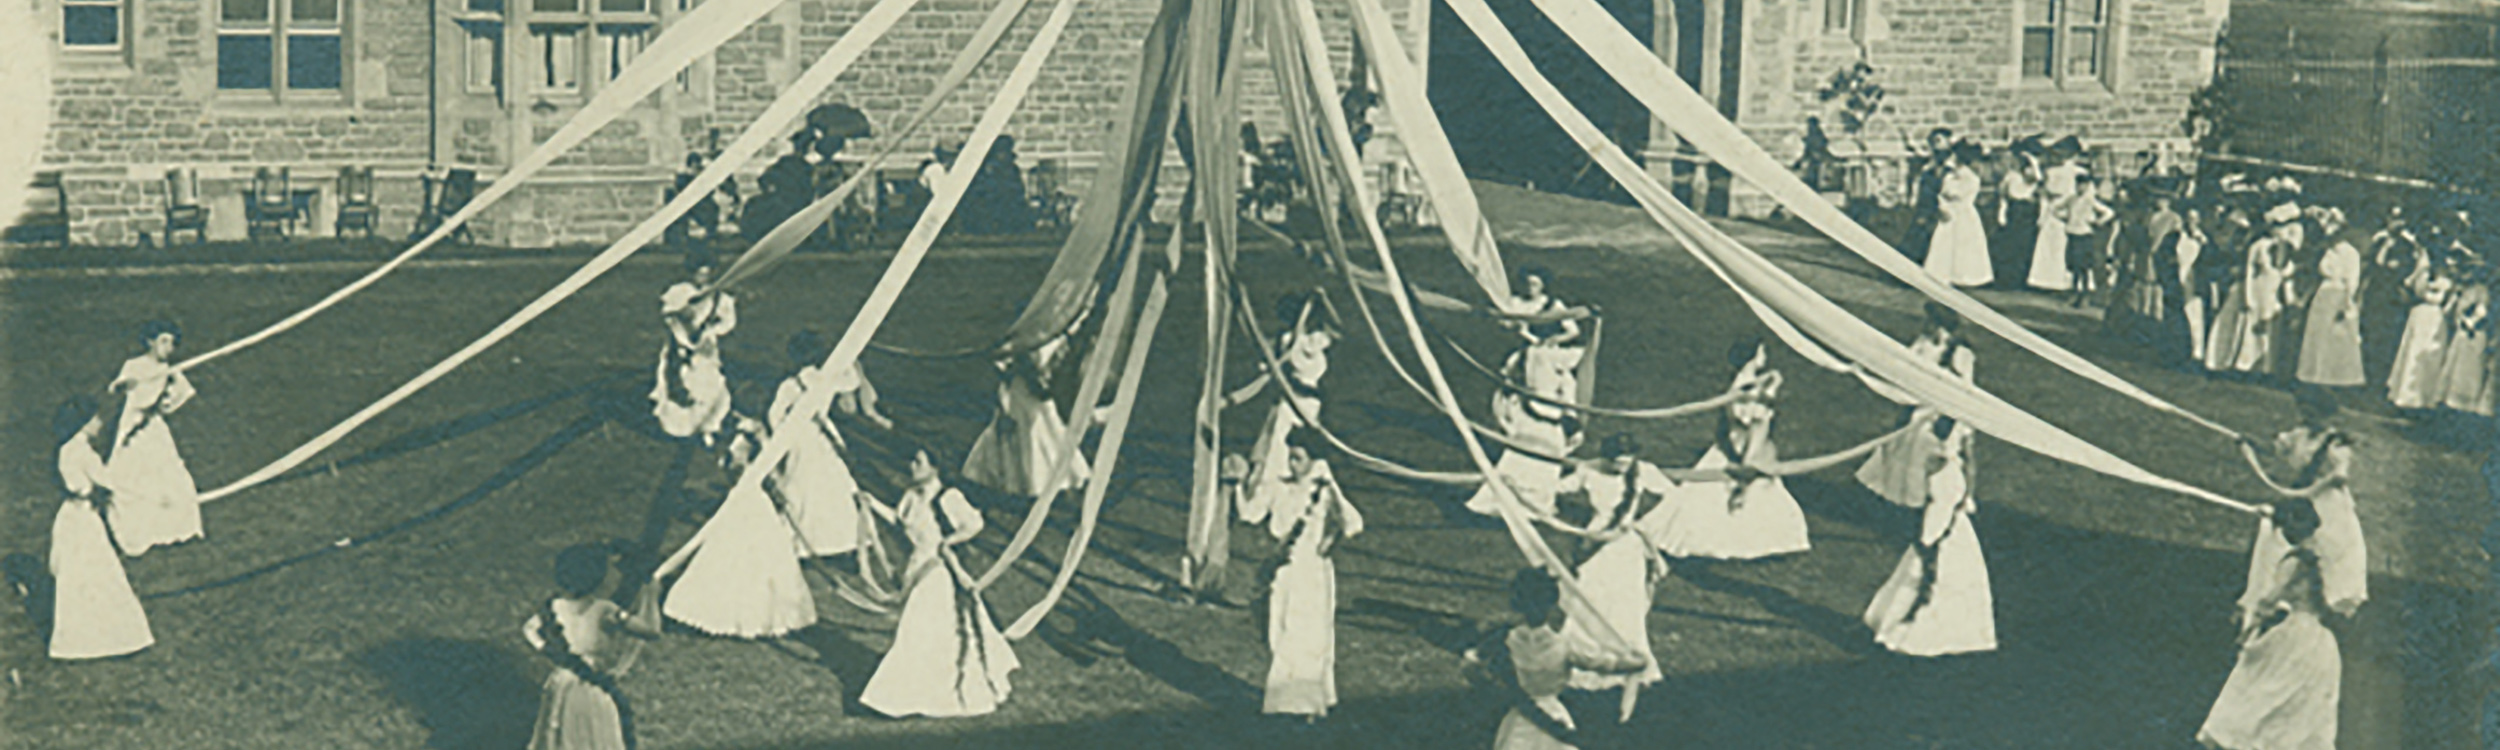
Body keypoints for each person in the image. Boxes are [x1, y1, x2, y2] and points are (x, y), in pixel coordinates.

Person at [2201, 386, 2370, 749]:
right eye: (2302, 410)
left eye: (2311, 411)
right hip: (2300, 508)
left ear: (2325, 413)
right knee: (2277, 549)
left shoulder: (2336, 442)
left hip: (2322, 502)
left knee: (2315, 553)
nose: (2306, 416)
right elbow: (2275, 446)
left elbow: (2340, 476)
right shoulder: (2297, 435)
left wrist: (2299, 495)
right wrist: (2249, 444)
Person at [859, 448, 1021, 718]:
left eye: (919, 461)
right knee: (938, 632)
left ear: (935, 468)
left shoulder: (949, 497)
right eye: (913, 459)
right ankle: (926, 688)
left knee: (915, 627)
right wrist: (871, 502)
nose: (912, 465)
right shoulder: (911, 495)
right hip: (916, 567)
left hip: (939, 571)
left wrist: (949, 541)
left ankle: (893, 696)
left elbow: (974, 524)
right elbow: (900, 523)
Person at [1540, 434, 1679, 723]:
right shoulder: (1588, 471)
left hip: (1626, 546)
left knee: (1626, 604)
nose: (1621, 465)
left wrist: (1646, 533)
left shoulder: (1645, 472)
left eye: (1626, 460)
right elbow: (1559, 487)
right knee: (1588, 599)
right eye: (1616, 460)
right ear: (1606, 457)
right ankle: (1582, 656)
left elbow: (1674, 496)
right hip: (1595, 543)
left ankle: (1628, 657)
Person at [2194, 498, 2343, 750]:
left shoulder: (2294, 562)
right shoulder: (2324, 563)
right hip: (2321, 643)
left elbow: (2270, 599)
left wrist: (2250, 629)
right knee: (2296, 706)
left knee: (2255, 694)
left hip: (2295, 637)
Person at [1651, 338, 1812, 560]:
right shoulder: (1751, 392)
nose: (1764, 356)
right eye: (1762, 352)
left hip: (1733, 444)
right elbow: (1756, 425)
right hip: (1745, 448)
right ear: (1755, 357)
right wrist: (1749, 460)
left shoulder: (1742, 383)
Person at [657, 420, 817, 638]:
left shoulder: (754, 468)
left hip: (754, 506)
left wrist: (758, 438)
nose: (736, 452)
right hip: (745, 504)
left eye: (740, 449)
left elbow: (766, 474)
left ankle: (755, 614)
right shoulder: (745, 467)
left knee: (758, 560)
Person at [1461, 568, 1648, 750]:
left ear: (1517, 603)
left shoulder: (1504, 640)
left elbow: (1471, 665)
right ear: (1552, 603)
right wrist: (1637, 658)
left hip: (1519, 719)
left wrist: (1490, 686)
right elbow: (1607, 663)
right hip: (1554, 715)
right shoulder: (1563, 645)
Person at [1860, 414, 1995, 657]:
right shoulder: (1939, 463)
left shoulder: (1945, 463)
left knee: (1946, 575)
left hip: (1949, 519)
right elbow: (1946, 491)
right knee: (1938, 574)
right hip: (1945, 520)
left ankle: (1925, 626)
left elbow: (1961, 474)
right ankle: (1917, 627)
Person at [1257, 428, 1363, 722]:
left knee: (1305, 635)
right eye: (1290, 458)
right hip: (1286, 569)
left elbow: (1352, 521)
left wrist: (1332, 538)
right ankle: (1288, 700)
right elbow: (1264, 519)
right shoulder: (1282, 487)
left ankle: (1301, 706)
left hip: (1312, 572)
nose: (1293, 465)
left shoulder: (1324, 489)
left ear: (1314, 461)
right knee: (1278, 631)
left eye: (1298, 459)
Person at [48, 395, 153, 660]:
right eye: (94, 417)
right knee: (100, 574)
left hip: (69, 517)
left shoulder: (65, 449)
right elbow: (110, 482)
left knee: (75, 579)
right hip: (83, 520)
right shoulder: (82, 452)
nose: (99, 422)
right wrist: (149, 495)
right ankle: (111, 639)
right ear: (83, 422)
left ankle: (74, 639)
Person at [1226, 292, 1339, 525]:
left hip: (1307, 405)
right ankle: (1266, 497)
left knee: (1302, 448)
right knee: (1277, 447)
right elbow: (1266, 350)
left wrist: (1320, 299)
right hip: (1290, 402)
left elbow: (1336, 329)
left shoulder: (1313, 339)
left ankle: (1304, 496)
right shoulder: (1289, 341)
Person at [523, 544, 650, 750]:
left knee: (562, 733)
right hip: (591, 683)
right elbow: (648, 631)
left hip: (562, 681)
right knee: (595, 731)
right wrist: (650, 593)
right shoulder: (604, 609)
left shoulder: (555, 607)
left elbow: (529, 628)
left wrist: (545, 648)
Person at [770, 330, 881, 561]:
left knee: (801, 486)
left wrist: (785, 433)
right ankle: (843, 540)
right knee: (835, 484)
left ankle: (801, 544)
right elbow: (852, 381)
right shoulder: (826, 378)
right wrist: (850, 357)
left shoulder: (790, 385)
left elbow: (774, 417)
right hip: (822, 436)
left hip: (800, 438)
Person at [1856, 303, 1976, 508]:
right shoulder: (1922, 343)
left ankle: (1956, 500)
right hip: (1918, 408)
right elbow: (1904, 366)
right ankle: (1905, 501)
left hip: (1944, 413)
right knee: (1903, 449)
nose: (1925, 325)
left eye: (1930, 321)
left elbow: (1964, 389)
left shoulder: (1961, 353)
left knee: (1943, 455)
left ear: (1940, 326)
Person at [105, 319, 201, 557]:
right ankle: (135, 533)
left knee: (169, 474)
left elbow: (183, 394)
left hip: (154, 429)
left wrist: (164, 401)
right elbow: (115, 389)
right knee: (127, 477)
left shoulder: (169, 371)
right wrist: (128, 384)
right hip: (132, 428)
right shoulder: (135, 365)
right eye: (163, 341)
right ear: (150, 342)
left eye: (172, 343)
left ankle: (175, 530)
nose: (168, 347)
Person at [962, 342, 1078, 498]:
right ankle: (1023, 481)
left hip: (1036, 391)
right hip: (1020, 387)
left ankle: (1049, 478)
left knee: (1041, 427)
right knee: (1022, 427)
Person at [651, 255, 738, 447]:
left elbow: (728, 321)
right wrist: (683, 315)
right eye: (699, 273)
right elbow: (669, 316)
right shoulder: (680, 292)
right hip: (680, 346)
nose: (703, 278)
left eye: (707, 273)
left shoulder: (718, 296)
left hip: (705, 350)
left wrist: (713, 328)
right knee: (680, 387)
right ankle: (681, 429)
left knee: (710, 387)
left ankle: (709, 428)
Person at [2206, 203, 2302, 376]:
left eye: (2283, 227)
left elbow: (2287, 275)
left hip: (2273, 294)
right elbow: (2249, 272)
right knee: (2249, 329)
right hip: (2257, 290)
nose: (2280, 231)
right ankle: (2243, 365)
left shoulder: (2287, 249)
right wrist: (2248, 297)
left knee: (2270, 330)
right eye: (2277, 227)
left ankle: (2266, 368)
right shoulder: (2259, 246)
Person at [2297, 210, 2369, 388]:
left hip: (2338, 293)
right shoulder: (2328, 251)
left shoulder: (2350, 254)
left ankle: (2335, 377)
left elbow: (2352, 281)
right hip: (2323, 292)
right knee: (2318, 334)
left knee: (2336, 336)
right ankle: (2314, 373)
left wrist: (2345, 304)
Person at [2385, 255, 2454, 412]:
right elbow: (2410, 287)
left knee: (2429, 356)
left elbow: (2448, 300)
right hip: (2420, 314)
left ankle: (2425, 397)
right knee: (2411, 351)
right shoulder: (2423, 274)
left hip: (2436, 318)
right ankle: (2405, 395)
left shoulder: (2449, 281)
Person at [1922, 142, 1993, 287]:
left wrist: (1950, 193)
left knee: (1963, 245)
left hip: (1964, 213)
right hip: (1948, 213)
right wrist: (1942, 207)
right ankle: (1941, 274)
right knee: (1945, 243)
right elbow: (1941, 194)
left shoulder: (1971, 178)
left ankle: (1964, 276)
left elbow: (1957, 194)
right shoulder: (1949, 176)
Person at [2027, 136, 2088, 291]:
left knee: (2066, 245)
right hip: (2054, 209)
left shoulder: (2079, 172)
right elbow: (2045, 195)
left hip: (2071, 209)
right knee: (2051, 243)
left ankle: (2068, 281)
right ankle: (2048, 280)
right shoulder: (2051, 172)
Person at [2436, 268, 2495, 417]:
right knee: (2455, 367)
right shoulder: (2469, 290)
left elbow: (2481, 313)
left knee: (2467, 371)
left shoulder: (2482, 292)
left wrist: (2471, 322)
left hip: (2474, 335)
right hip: (2463, 334)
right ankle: (2449, 404)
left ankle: (2463, 406)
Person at [1994, 136, 2047, 288]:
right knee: (2010, 245)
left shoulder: (2030, 176)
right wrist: (2001, 214)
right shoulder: (2011, 176)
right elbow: (2003, 196)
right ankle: (2008, 279)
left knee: (2025, 245)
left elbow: (2038, 178)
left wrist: (2032, 161)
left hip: (2027, 211)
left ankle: (2021, 279)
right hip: (2014, 210)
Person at [1900, 127, 1956, 265]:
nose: (1935, 144)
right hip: (1927, 202)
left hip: (1943, 201)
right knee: (1919, 232)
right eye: (1933, 141)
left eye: (1938, 140)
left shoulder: (1952, 162)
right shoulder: (1929, 164)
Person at [2064, 174, 2119, 307]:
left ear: (2087, 186)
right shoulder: (2071, 199)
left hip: (2085, 235)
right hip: (2072, 234)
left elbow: (2109, 213)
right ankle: (2075, 291)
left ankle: (2084, 294)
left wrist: (2097, 222)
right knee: (2073, 265)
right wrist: (2066, 219)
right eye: (2078, 184)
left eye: (2083, 185)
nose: (2080, 187)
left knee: (2083, 266)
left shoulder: (2090, 200)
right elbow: (2055, 208)